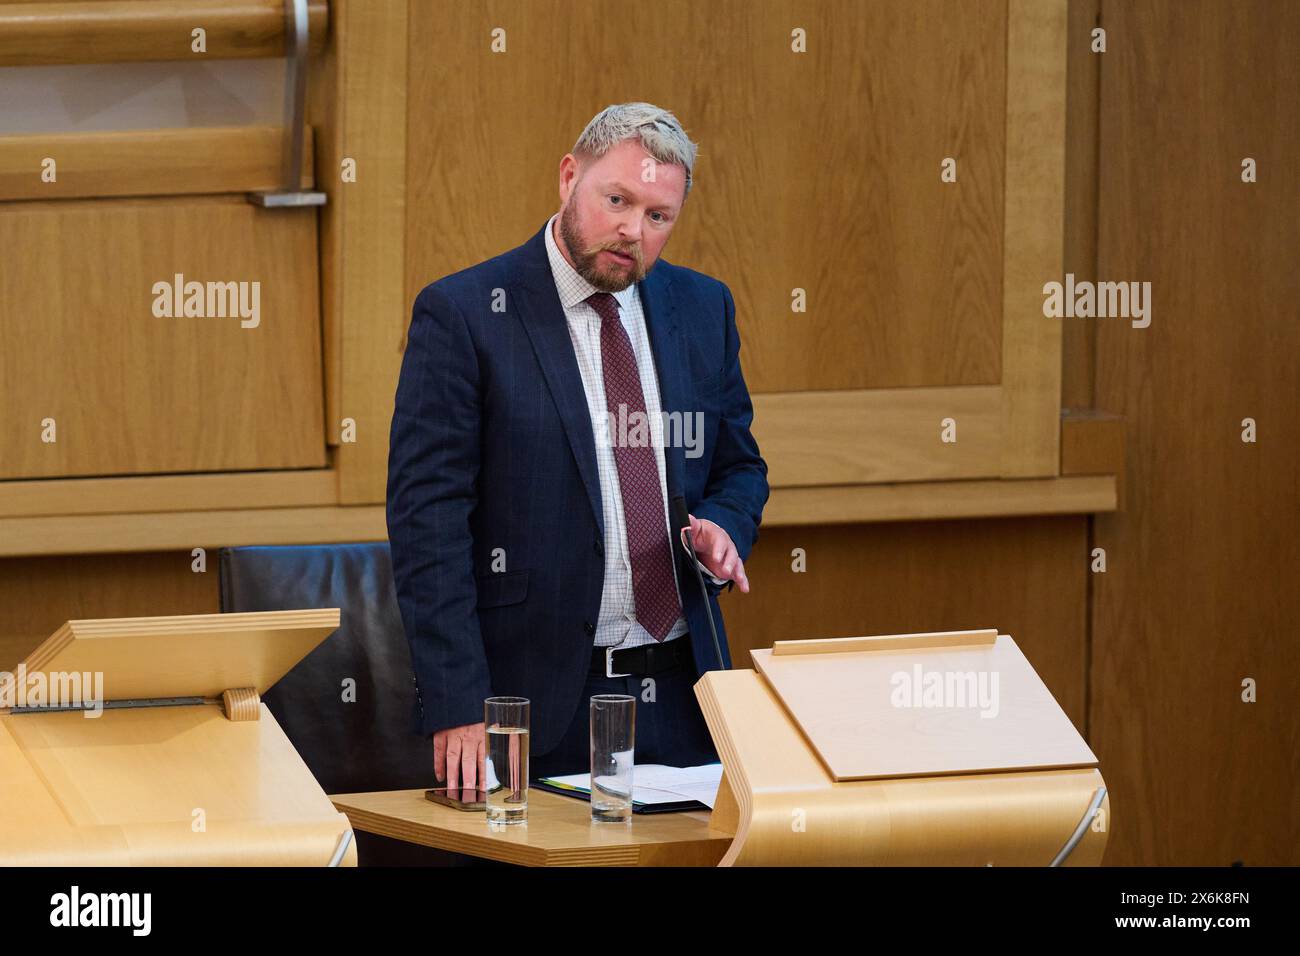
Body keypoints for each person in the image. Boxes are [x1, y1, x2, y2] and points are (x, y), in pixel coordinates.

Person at [386, 102, 768, 791]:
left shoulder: (701, 308)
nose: (632, 230)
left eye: (658, 217)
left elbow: (739, 466)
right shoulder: (467, 314)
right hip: (530, 709)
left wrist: (724, 527)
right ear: (569, 177)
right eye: (616, 200)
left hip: (685, 698)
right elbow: (428, 525)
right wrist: (457, 704)